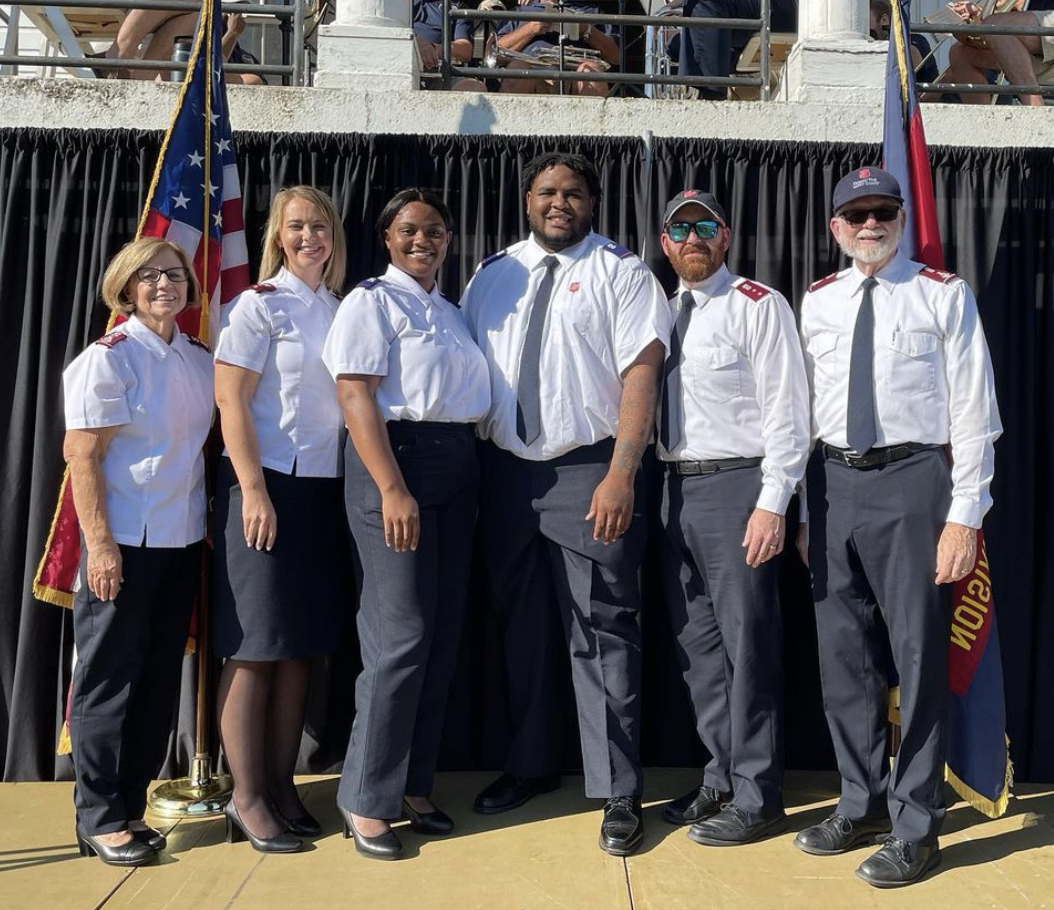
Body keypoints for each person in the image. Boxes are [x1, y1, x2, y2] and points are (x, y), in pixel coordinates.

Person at [795, 167, 1001, 887]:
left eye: (883, 210)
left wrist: (963, 518)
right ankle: (862, 802)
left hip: (915, 483)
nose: (870, 223)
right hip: (831, 484)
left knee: (917, 662)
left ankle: (918, 824)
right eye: (855, 214)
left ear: (902, 217)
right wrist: (799, 507)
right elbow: (803, 409)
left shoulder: (942, 294)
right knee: (842, 659)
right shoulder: (817, 301)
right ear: (835, 227)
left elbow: (975, 414)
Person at [461, 152, 670, 856]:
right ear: (526, 200)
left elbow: (642, 376)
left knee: (603, 632)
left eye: (573, 193)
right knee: (519, 631)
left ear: (592, 202)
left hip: (589, 472)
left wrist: (621, 474)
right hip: (504, 474)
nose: (559, 203)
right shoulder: (491, 276)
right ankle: (531, 764)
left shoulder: (622, 271)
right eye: (547, 192)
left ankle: (617, 788)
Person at [322, 189, 491, 861]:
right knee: (400, 637)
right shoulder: (371, 300)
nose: (426, 240)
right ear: (388, 237)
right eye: (411, 230)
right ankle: (366, 799)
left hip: (456, 463)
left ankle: (412, 784)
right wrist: (392, 486)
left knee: (442, 635)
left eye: (438, 231)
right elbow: (355, 393)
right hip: (395, 462)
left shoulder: (449, 312)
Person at [654, 190, 810, 845]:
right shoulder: (656, 313)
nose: (693, 237)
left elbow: (788, 409)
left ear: (725, 237)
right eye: (680, 227)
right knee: (699, 652)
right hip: (670, 490)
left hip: (738, 486)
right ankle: (720, 775)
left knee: (749, 648)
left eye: (704, 226)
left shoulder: (757, 304)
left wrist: (774, 501)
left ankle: (758, 794)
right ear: (665, 243)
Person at [63, 238, 213, 866]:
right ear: (125, 288)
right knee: (106, 684)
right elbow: (83, 456)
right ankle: (97, 816)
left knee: (155, 681)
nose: (163, 285)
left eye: (174, 275)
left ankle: (129, 807)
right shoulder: (109, 360)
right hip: (122, 544)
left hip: (179, 543)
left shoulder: (199, 358)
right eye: (149, 277)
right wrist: (99, 547)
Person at [213, 186, 349, 854]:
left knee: (300, 650)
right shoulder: (254, 307)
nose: (309, 237)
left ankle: (282, 785)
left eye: (319, 226)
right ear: (277, 234)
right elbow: (231, 402)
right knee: (256, 647)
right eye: (297, 226)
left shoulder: (342, 308)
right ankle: (245, 795)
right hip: (264, 490)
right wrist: (253, 490)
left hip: (323, 494)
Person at [940, 0, 1054, 106]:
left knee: (996, 25)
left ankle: (1036, 110)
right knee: (960, 52)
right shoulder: (1009, 13)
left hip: (1045, 51)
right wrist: (977, 21)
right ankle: (981, 123)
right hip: (1037, 59)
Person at [495, 1, 620, 96]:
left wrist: (587, 29)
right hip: (531, 78)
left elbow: (616, 57)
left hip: (575, 79)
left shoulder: (593, 11)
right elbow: (497, 53)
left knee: (591, 72)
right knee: (517, 68)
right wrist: (530, 29)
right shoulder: (519, 11)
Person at [679, 0, 798, 100]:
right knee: (679, 40)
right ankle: (694, 89)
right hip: (758, 10)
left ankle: (711, 94)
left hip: (782, 6)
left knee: (705, 5)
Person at [869, 0, 938, 85]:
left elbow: (908, 61)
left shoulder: (915, 40)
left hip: (927, 97)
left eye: (866, 20)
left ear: (884, 20)